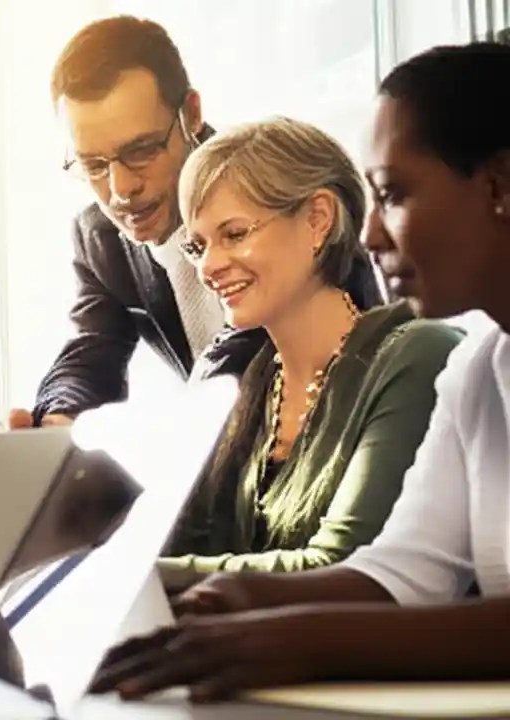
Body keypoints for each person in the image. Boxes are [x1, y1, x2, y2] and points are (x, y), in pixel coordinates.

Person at [89, 42, 510, 701]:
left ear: (498, 185)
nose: (371, 237)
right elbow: (405, 570)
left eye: (394, 196)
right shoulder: (479, 371)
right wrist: (239, 598)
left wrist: (296, 636)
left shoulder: (423, 355)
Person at [8, 16, 382, 429]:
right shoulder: (100, 237)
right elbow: (91, 350)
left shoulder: (283, 189)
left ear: (192, 114)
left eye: (142, 150)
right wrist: (58, 421)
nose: (120, 189)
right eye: (93, 165)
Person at [157, 117, 461, 592]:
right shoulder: (249, 387)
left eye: (234, 234)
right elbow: (180, 544)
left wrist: (141, 576)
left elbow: (344, 567)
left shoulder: (417, 356)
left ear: (319, 218)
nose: (209, 266)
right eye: (198, 246)